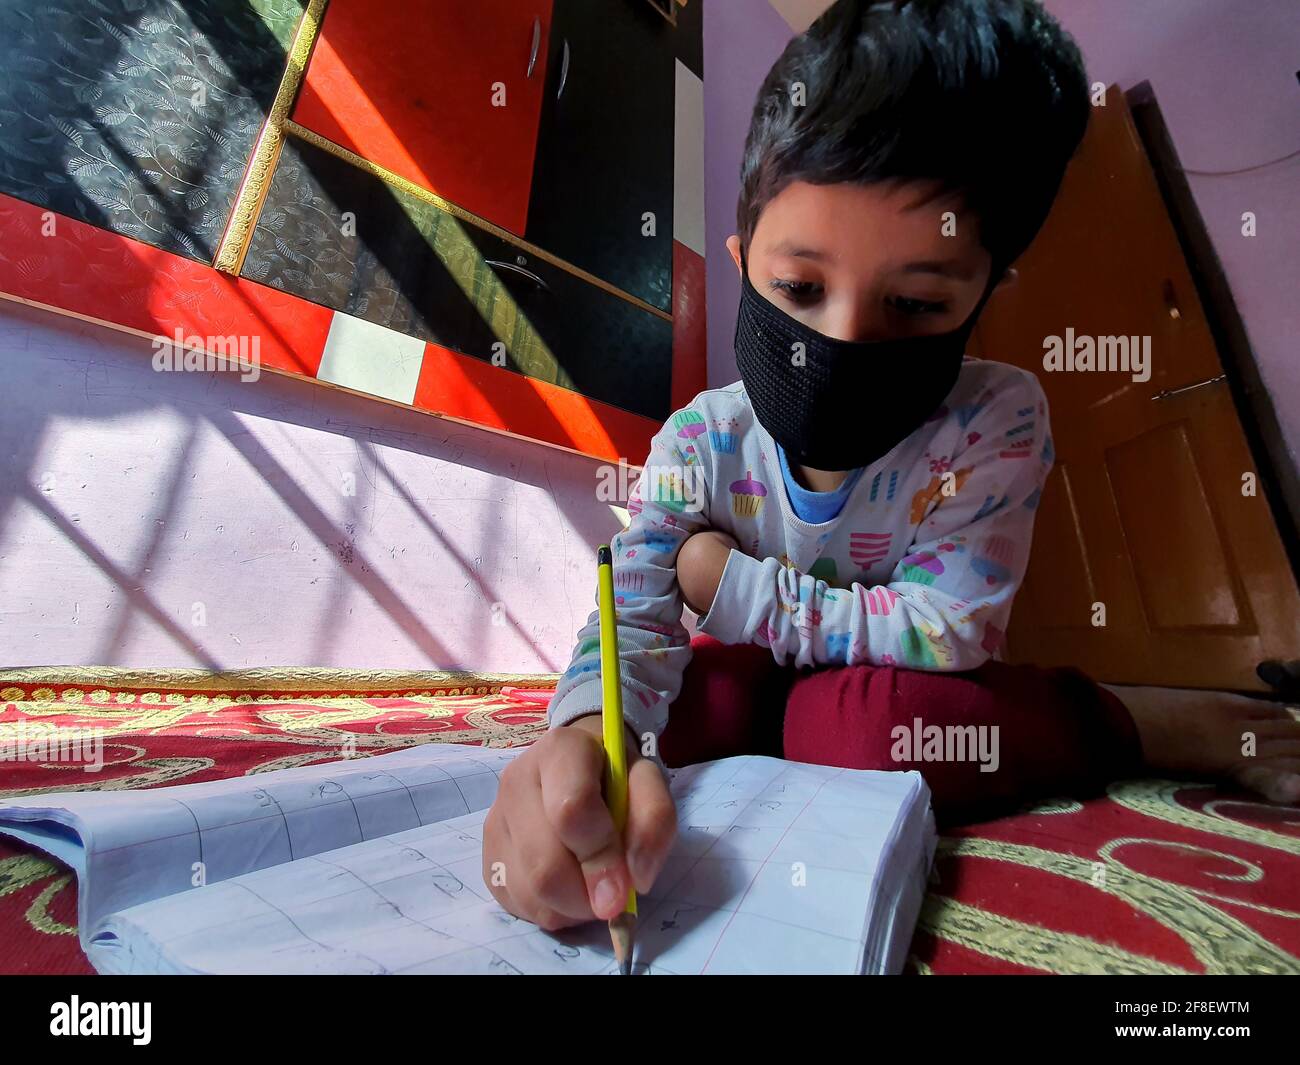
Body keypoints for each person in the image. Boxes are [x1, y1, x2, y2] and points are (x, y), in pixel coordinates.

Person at [482, 0, 1300, 933]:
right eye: (797, 288)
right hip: (767, 658)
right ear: (745, 264)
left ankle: (1135, 716)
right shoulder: (703, 437)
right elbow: (633, 593)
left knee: (861, 735)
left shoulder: (994, 418)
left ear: (983, 297)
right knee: (691, 715)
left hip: (892, 688)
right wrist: (587, 730)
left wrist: (733, 583)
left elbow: (948, 630)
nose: (842, 342)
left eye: (914, 305)